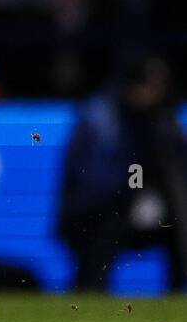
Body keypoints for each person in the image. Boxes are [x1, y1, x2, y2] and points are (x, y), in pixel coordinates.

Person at [58, 53, 187, 291]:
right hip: (92, 215)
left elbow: (177, 167)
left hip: (142, 210)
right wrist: (133, 196)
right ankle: (90, 290)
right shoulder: (101, 117)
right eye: (150, 86)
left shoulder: (162, 119)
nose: (154, 93)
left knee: (178, 215)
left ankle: (178, 293)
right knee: (108, 220)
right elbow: (94, 184)